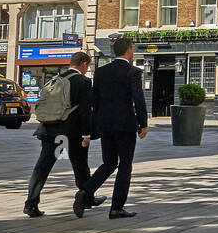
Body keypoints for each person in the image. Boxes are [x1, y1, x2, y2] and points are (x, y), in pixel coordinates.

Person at [75, 36, 147, 219]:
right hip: (125, 125)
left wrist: (98, 122)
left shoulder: (101, 72)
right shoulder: (133, 72)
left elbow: (95, 100)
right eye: (132, 49)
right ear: (129, 50)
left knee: (108, 162)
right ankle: (116, 207)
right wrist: (143, 124)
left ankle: (86, 190)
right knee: (124, 165)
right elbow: (138, 100)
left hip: (106, 124)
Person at [25, 51, 100, 217]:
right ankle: (87, 198)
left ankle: (31, 203)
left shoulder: (54, 79)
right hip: (71, 133)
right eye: (87, 66)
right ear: (84, 65)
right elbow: (85, 111)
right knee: (80, 166)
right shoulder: (83, 81)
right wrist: (86, 134)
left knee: (42, 168)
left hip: (50, 130)